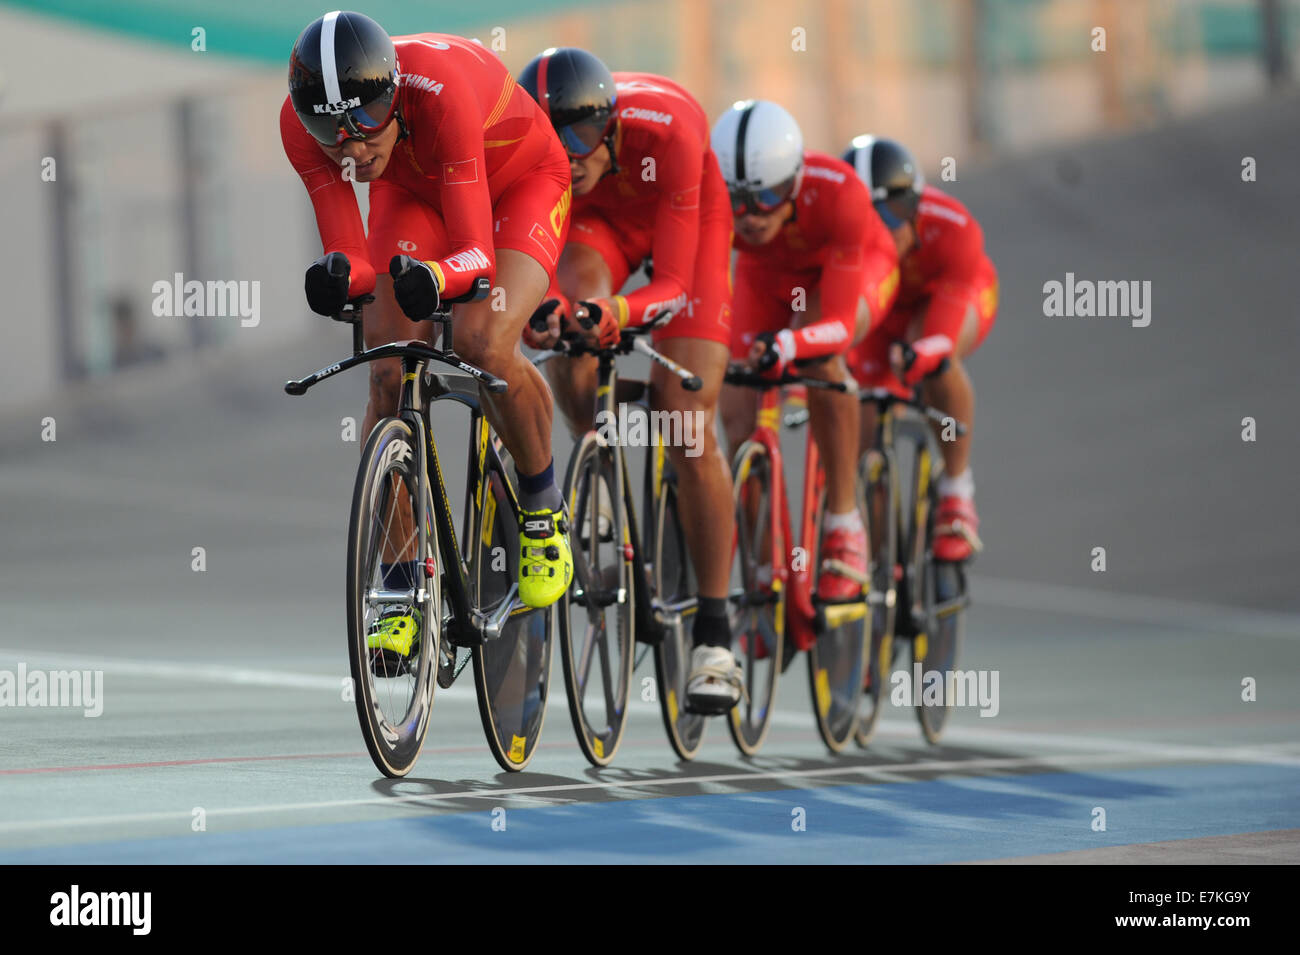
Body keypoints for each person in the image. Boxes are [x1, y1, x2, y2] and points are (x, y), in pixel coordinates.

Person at [281, 12, 575, 669]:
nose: (351, 146)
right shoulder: (302, 131)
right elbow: (350, 256)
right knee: (386, 370)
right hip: (413, 191)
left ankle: (540, 507)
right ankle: (397, 587)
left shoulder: (437, 90)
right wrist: (339, 280)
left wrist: (438, 277)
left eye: (367, 117)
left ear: (394, 93)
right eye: (332, 130)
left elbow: (475, 255)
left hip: (515, 186)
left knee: (482, 339)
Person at [517, 48, 742, 714]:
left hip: (687, 226)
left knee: (684, 412)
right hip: (600, 227)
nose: (567, 155)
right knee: (570, 326)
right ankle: (597, 468)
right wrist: (559, 314)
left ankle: (714, 633)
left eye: (581, 136)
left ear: (612, 125)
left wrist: (616, 314)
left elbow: (672, 286)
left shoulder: (667, 128)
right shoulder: (555, 161)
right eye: (550, 140)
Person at [713, 100, 899, 601]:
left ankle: (843, 524)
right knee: (734, 402)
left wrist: (790, 342)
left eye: (768, 196)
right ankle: (762, 565)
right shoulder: (722, 208)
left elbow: (837, 325)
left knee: (821, 357)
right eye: (737, 200)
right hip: (766, 279)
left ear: (794, 181)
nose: (750, 217)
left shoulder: (839, 194)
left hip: (850, 275)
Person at [842, 135, 997, 562]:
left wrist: (923, 351)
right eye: (863, 220)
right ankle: (878, 566)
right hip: (883, 312)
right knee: (860, 424)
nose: (877, 233)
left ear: (914, 209)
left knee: (932, 356)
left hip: (952, 298)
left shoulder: (952, 226)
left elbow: (940, 338)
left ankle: (956, 490)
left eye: (888, 217)